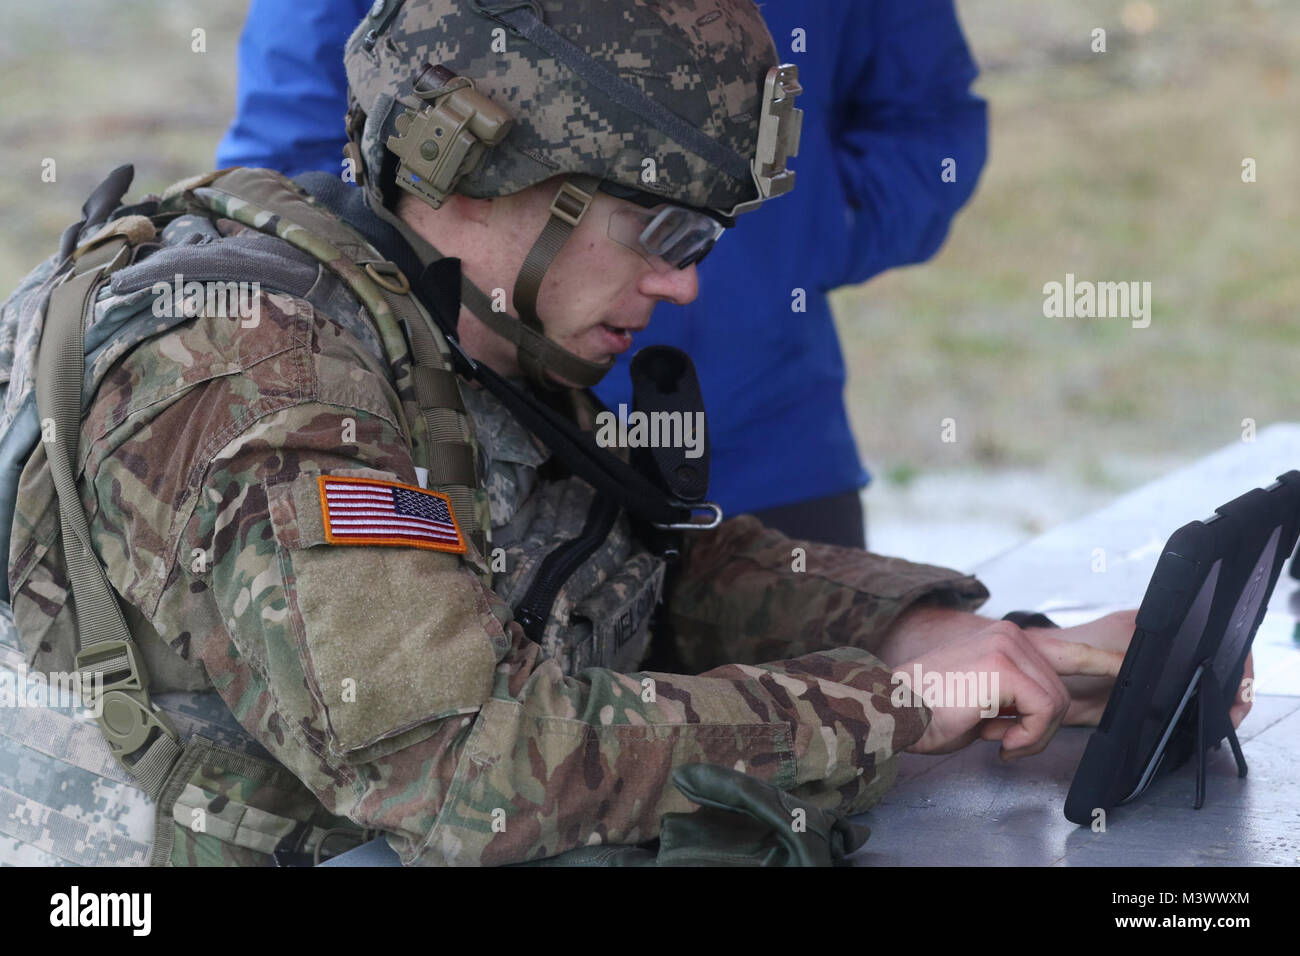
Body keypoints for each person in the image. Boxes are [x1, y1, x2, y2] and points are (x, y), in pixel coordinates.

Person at [5, 0, 1145, 867]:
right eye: (660, 230)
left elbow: (628, 562)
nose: (682, 283)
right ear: (495, 173)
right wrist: (889, 707)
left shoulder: (450, 318)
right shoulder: (252, 366)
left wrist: (943, 636)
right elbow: (463, 762)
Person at [216, 0, 990, 549]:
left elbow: (927, 119)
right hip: (473, 450)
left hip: (766, 440)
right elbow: (296, 165)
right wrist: (453, 326)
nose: (681, 278)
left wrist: (803, 241)